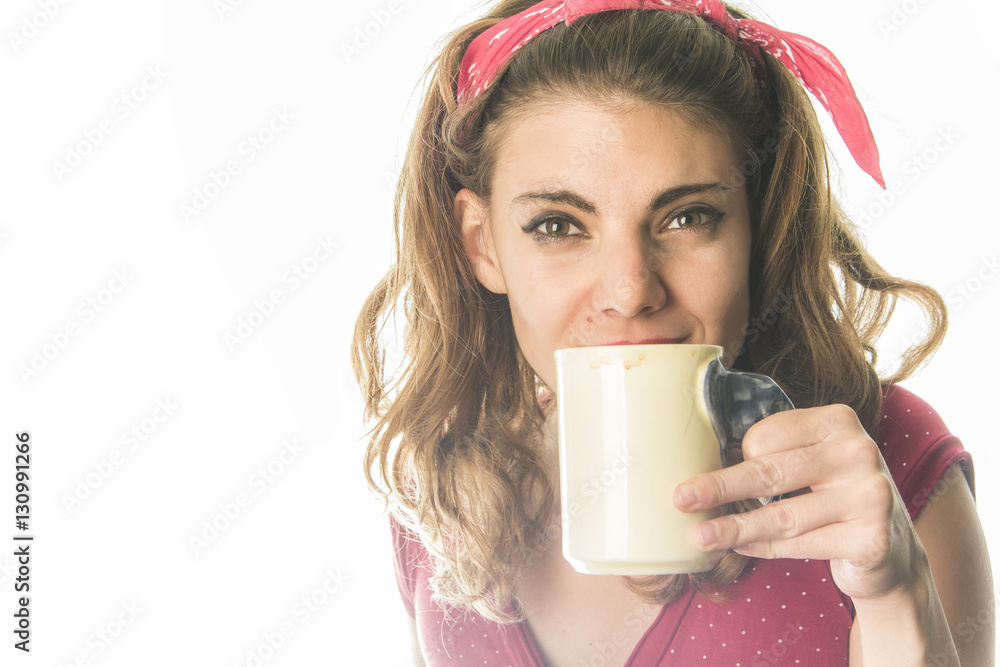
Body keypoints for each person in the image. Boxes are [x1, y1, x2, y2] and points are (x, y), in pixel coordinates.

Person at [351, 0, 994, 664]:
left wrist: (894, 594)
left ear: (756, 224)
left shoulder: (889, 464)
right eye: (558, 226)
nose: (631, 290)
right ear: (483, 245)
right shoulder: (442, 496)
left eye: (687, 217)